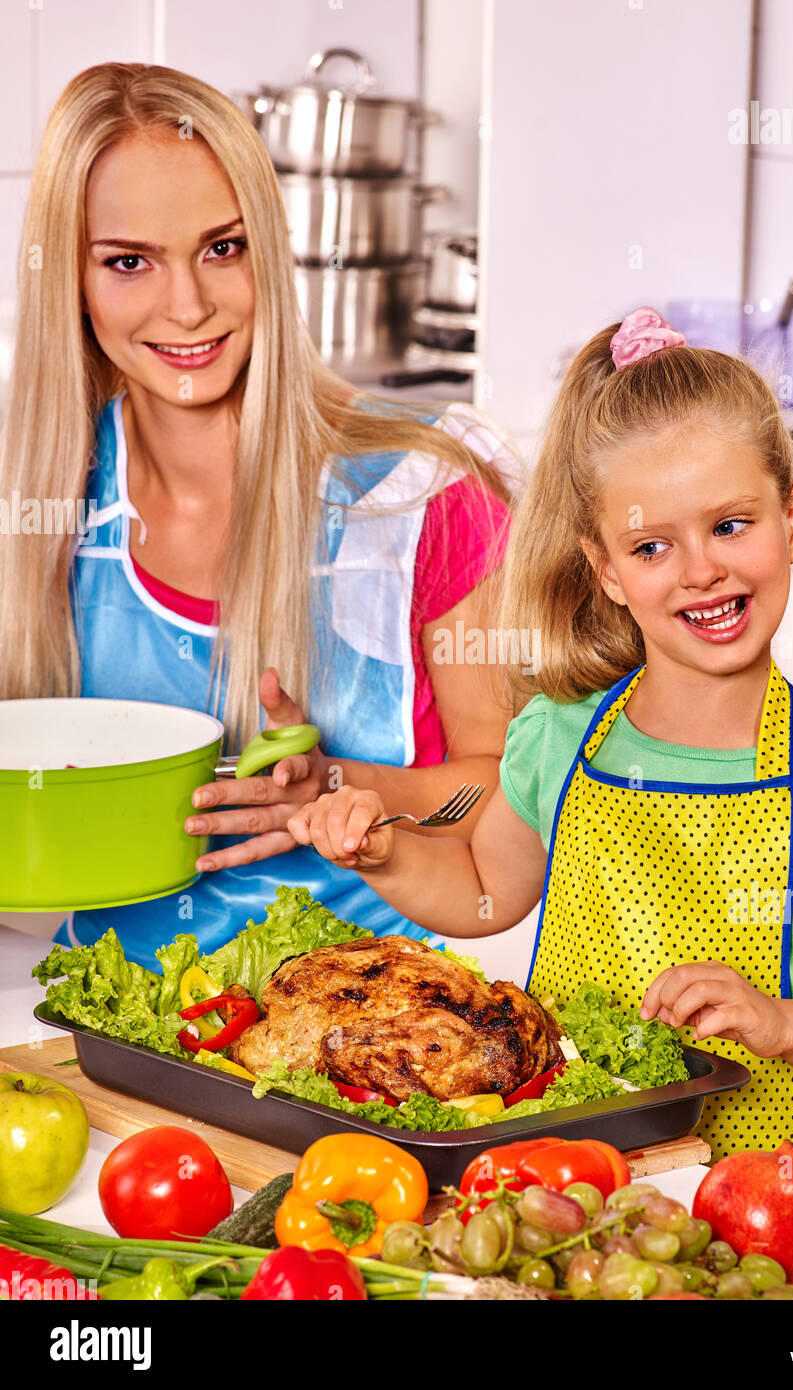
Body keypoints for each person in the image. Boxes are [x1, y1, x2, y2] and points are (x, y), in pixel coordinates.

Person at [287, 307, 793, 1213]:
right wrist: (386, 854)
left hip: (758, 1205)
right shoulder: (561, 736)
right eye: (652, 546)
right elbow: (481, 889)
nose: (699, 570)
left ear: (792, 519)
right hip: (563, 1183)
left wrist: (781, 1022)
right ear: (606, 571)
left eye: (731, 525)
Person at [0, 63, 517, 969]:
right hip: (102, 1018)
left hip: (378, 1028)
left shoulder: (420, 492)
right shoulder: (42, 498)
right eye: (129, 262)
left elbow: (510, 794)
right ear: (69, 282)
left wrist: (341, 787)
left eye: (221, 248)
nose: (189, 305)